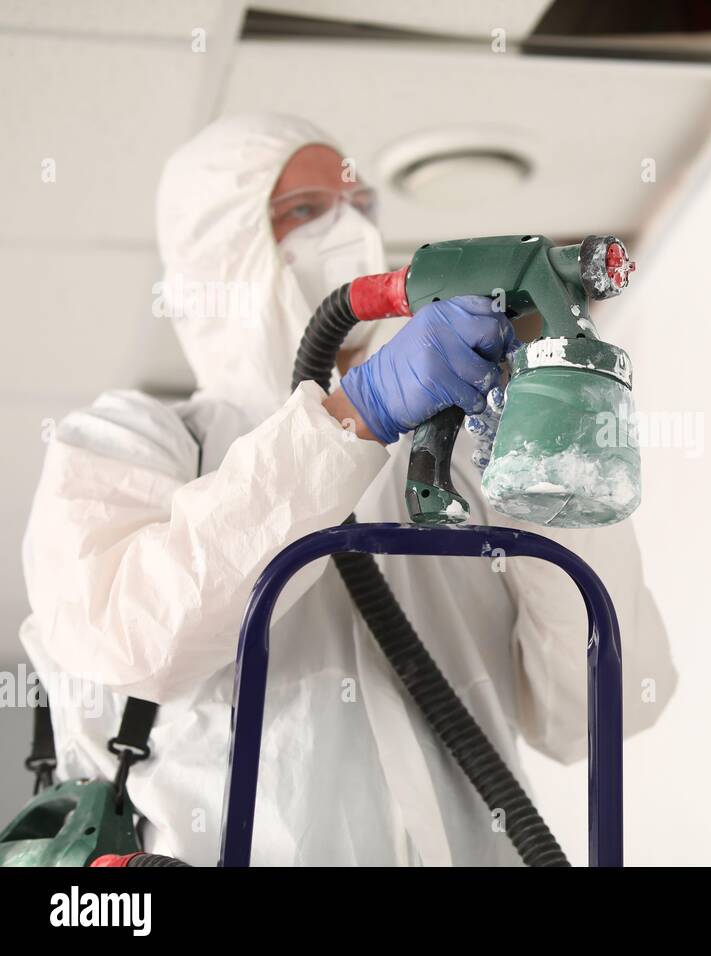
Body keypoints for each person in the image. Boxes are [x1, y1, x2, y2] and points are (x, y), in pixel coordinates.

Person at [18, 113, 677, 866]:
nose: (348, 229)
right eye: (305, 210)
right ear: (216, 248)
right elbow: (134, 637)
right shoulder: (136, 441)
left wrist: (548, 464)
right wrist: (353, 416)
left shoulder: (450, 456)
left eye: (361, 207)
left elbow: (598, 715)